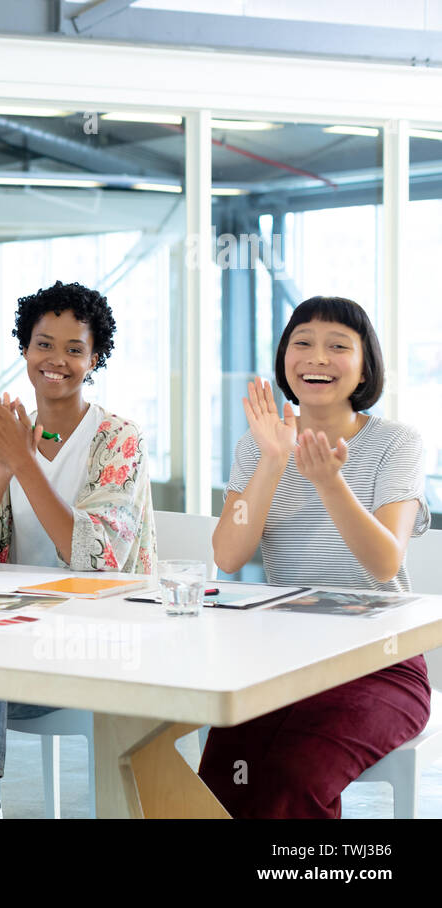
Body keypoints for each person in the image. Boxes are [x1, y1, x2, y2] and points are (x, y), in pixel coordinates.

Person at [0, 280, 157, 818]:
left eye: (75, 349)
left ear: (95, 358)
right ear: (25, 350)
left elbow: (95, 557)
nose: (57, 360)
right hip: (19, 638)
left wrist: (23, 465)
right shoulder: (10, 436)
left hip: (101, 646)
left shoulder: (119, 438)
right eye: (43, 345)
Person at [200, 296, 432, 819]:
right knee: (221, 778)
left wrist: (329, 483)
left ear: (365, 365)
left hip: (381, 663)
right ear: (285, 356)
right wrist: (274, 458)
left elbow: (384, 564)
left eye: (337, 346)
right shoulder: (258, 444)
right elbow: (229, 553)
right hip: (284, 660)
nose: (317, 358)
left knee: (289, 778)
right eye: (302, 343)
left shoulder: (398, 443)